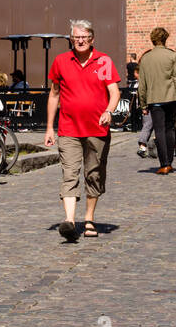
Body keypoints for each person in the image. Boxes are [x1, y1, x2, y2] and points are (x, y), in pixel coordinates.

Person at [44, 19, 121, 240]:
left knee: (93, 174)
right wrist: (50, 127)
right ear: (71, 39)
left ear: (92, 39)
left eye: (84, 37)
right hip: (68, 128)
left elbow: (114, 92)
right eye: (76, 37)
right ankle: (69, 220)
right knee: (69, 173)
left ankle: (89, 218)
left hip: (97, 129)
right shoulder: (61, 61)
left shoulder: (104, 61)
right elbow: (54, 95)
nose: (80, 41)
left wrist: (109, 110)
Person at [136, 27, 176, 173]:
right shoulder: (171, 56)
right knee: (170, 129)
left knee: (159, 130)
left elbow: (142, 84)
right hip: (171, 98)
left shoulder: (146, 58)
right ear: (165, 39)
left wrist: (143, 104)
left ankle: (164, 163)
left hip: (154, 99)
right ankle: (169, 161)